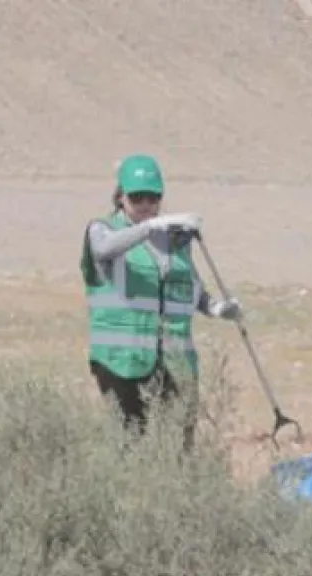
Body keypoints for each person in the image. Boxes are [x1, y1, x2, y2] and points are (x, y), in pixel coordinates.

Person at [79, 153, 242, 442]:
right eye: (137, 197)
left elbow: (188, 287)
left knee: (179, 442)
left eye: (152, 198)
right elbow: (103, 250)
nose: (145, 205)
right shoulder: (103, 229)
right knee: (130, 442)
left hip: (174, 360)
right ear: (120, 197)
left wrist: (215, 307)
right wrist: (148, 229)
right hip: (122, 361)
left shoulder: (175, 241)